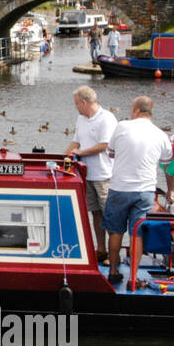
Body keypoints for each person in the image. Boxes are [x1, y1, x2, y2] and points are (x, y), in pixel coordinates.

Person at [103, 96, 174, 281]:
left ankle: (112, 271)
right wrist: (171, 189)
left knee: (116, 231)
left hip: (119, 188)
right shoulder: (161, 135)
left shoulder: (122, 127)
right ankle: (133, 279)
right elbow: (168, 167)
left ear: (135, 111)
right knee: (137, 233)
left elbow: (110, 153)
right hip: (145, 191)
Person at [64, 86, 117, 263]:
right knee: (95, 213)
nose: (76, 107)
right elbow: (75, 141)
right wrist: (63, 158)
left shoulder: (107, 119)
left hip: (104, 175)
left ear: (84, 103)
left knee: (108, 214)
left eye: (76, 104)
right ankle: (100, 249)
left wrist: (80, 153)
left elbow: (104, 145)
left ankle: (113, 254)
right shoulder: (81, 119)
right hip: (86, 174)